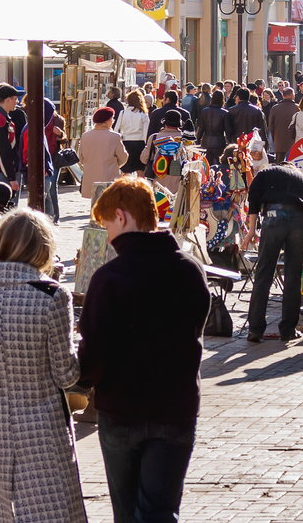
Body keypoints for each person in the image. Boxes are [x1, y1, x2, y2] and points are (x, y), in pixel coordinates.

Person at [80, 176, 210, 523]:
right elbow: (196, 331)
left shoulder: (110, 277)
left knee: (126, 512)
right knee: (159, 511)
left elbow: (92, 354)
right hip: (175, 407)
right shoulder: (189, 270)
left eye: (107, 223)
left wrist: (83, 379)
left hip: (121, 410)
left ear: (121, 217)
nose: (107, 234)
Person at [0, 208, 85, 521]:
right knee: (54, 511)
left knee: (0, 511)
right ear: (41, 249)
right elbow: (66, 374)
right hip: (42, 426)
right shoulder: (51, 296)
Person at [245, 159, 303, 342]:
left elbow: (253, 197)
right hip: (299, 222)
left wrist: (252, 229)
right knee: (293, 277)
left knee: (263, 275)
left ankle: (255, 329)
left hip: (273, 217)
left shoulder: (265, 173)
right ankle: (288, 330)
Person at [78, 107, 129, 199]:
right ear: (107, 121)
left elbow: (81, 157)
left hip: (90, 177)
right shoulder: (114, 137)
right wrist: (115, 165)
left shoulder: (85, 136)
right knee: (108, 205)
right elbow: (123, 157)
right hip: (109, 176)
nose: (113, 121)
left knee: (95, 205)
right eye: (112, 119)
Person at [142, 110, 186, 194]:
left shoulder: (154, 138)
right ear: (179, 125)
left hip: (159, 184)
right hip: (180, 186)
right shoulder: (185, 140)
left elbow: (144, 159)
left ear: (165, 124)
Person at [116, 89, 151, 174]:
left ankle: (126, 187)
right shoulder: (143, 114)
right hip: (139, 143)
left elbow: (116, 129)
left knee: (126, 171)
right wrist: (146, 146)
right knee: (140, 171)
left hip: (126, 142)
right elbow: (146, 132)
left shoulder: (123, 113)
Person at [267, 87, 300, 163]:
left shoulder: (275, 108)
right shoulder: (297, 108)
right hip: (294, 142)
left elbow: (271, 126)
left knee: (279, 165)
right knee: (293, 165)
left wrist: (275, 138)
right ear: (292, 95)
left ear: (283, 96)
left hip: (279, 140)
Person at [196, 90, 230, 164]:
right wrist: (230, 142)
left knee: (207, 165)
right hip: (220, 141)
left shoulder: (205, 111)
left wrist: (198, 141)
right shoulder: (225, 113)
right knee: (219, 164)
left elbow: (201, 128)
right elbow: (228, 131)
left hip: (206, 141)